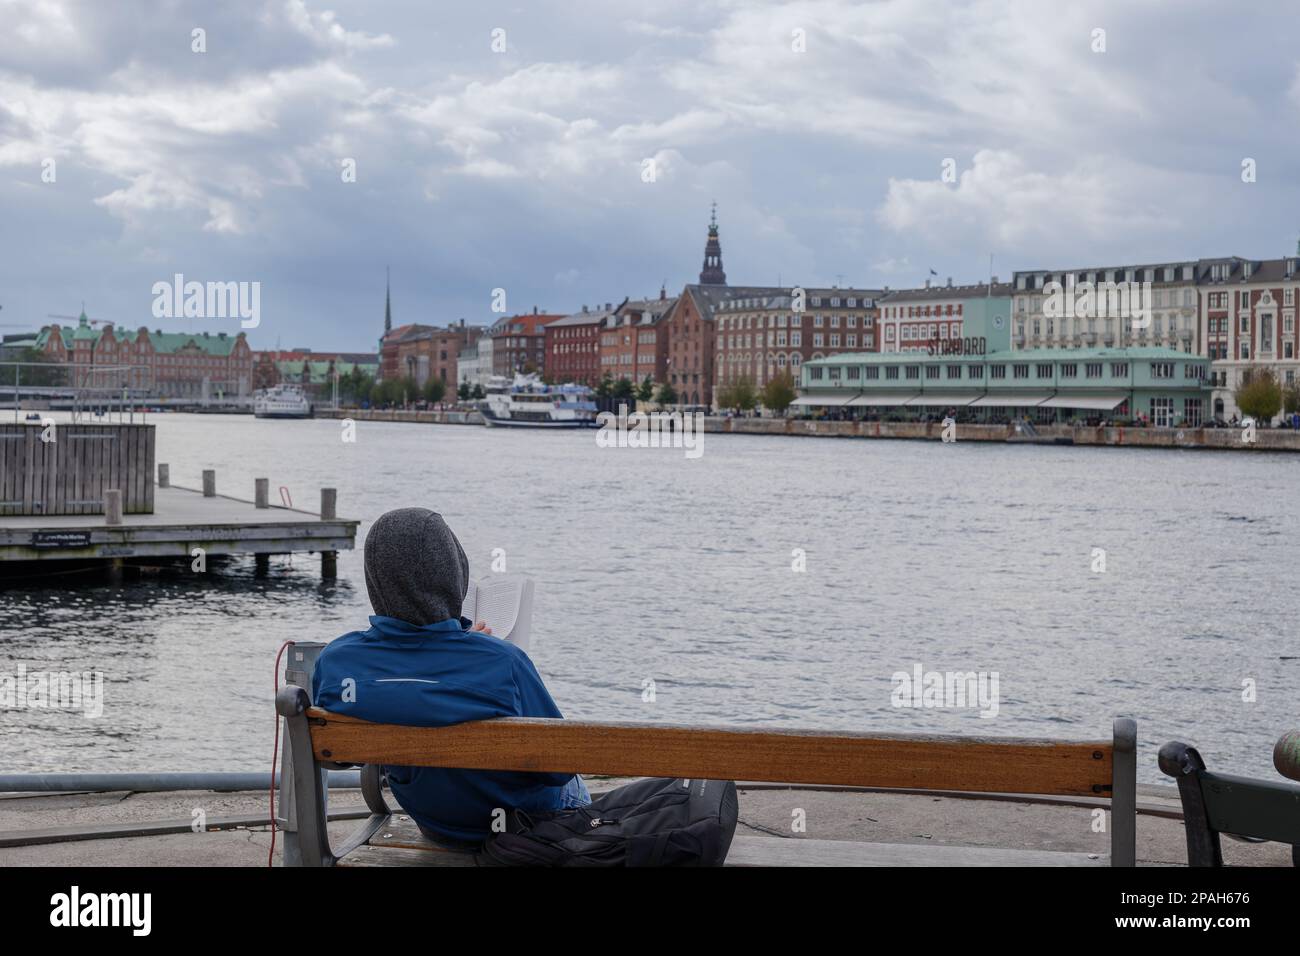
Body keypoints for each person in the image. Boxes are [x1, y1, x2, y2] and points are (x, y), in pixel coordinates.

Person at [312, 508, 589, 848]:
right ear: (454, 574)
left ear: (375, 579)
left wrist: (464, 648)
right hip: (523, 826)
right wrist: (476, 649)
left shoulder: (337, 661)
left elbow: (339, 756)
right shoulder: (504, 662)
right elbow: (559, 767)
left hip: (437, 824)